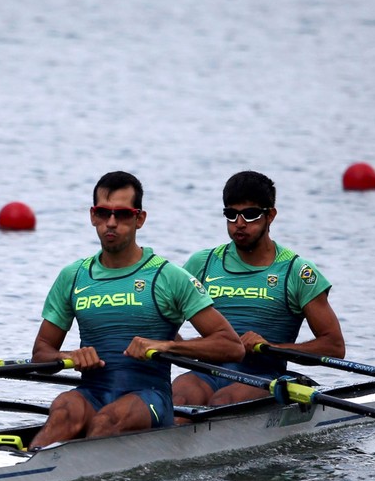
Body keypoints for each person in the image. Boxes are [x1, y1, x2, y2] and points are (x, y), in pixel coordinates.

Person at [29, 171, 244, 449]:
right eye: (103, 213)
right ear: (92, 216)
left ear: (139, 219)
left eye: (123, 215)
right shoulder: (73, 276)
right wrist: (68, 355)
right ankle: (21, 472)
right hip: (92, 392)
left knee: (107, 421)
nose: (111, 223)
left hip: (149, 397)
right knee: (64, 410)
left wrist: (166, 346)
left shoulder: (169, 277)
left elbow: (231, 346)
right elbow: (40, 352)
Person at [172, 170, 345, 409]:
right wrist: (181, 344)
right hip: (208, 371)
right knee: (178, 397)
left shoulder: (297, 271)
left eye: (250, 214)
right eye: (231, 215)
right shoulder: (201, 264)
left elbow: (334, 346)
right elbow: (164, 322)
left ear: (270, 215)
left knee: (222, 402)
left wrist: (273, 348)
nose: (239, 224)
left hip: (264, 378)